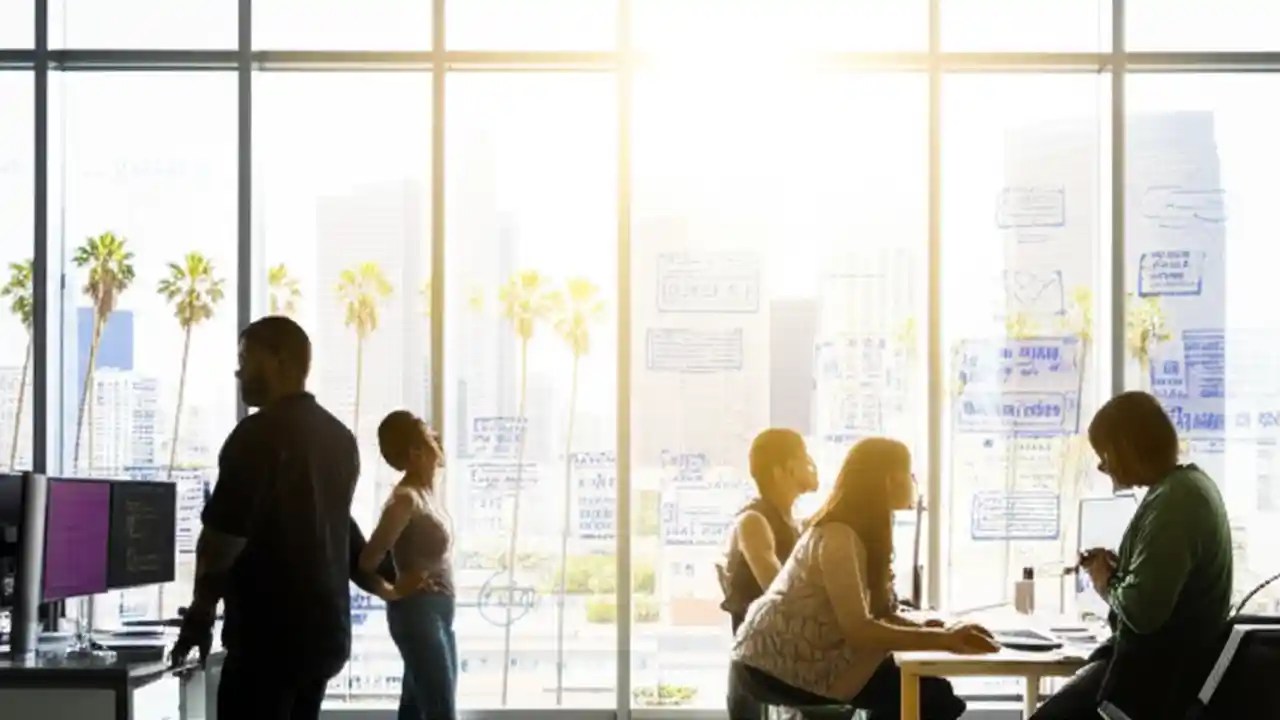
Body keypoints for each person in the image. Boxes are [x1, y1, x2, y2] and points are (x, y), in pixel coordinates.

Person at [170, 316, 362, 719]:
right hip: (323, 638)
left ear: (279, 360)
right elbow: (340, 529)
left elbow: (224, 538)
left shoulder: (256, 436)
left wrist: (201, 613)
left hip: (269, 640)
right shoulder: (340, 438)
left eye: (246, 358)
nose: (239, 371)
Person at [731, 437, 996, 720]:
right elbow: (858, 629)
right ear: (889, 480)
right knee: (932, 698)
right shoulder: (838, 536)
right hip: (774, 663)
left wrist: (940, 630)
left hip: (802, 657)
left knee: (930, 693)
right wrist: (943, 640)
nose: (912, 483)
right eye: (908, 474)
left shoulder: (862, 531)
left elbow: (880, 613)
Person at [1032, 391, 1233, 720]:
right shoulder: (1185, 488)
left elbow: (1144, 612)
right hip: (1171, 674)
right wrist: (1123, 571)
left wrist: (1106, 581)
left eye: (1104, 454)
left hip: (1157, 683)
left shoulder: (1177, 500)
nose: (1102, 466)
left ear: (1124, 449)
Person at [359, 410, 457, 720]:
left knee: (415, 710)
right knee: (440, 711)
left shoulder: (426, 494)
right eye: (430, 438)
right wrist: (392, 592)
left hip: (438, 612)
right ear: (416, 452)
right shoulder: (405, 500)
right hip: (418, 614)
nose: (437, 443)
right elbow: (367, 561)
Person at [717, 428, 818, 719]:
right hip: (759, 666)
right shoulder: (753, 521)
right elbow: (780, 594)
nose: (811, 464)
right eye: (804, 458)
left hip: (783, 658)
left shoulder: (792, 523)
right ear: (782, 470)